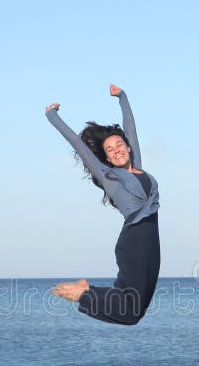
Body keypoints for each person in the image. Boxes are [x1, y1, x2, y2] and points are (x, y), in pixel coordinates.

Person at [45, 84, 160, 325]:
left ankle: (88, 290)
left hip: (152, 244)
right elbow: (79, 145)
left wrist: (122, 97)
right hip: (134, 244)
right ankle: (85, 294)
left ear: (127, 147)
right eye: (110, 150)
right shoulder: (111, 178)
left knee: (135, 314)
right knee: (129, 313)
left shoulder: (137, 166)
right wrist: (52, 116)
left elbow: (131, 127)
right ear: (106, 158)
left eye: (119, 145)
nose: (117, 150)